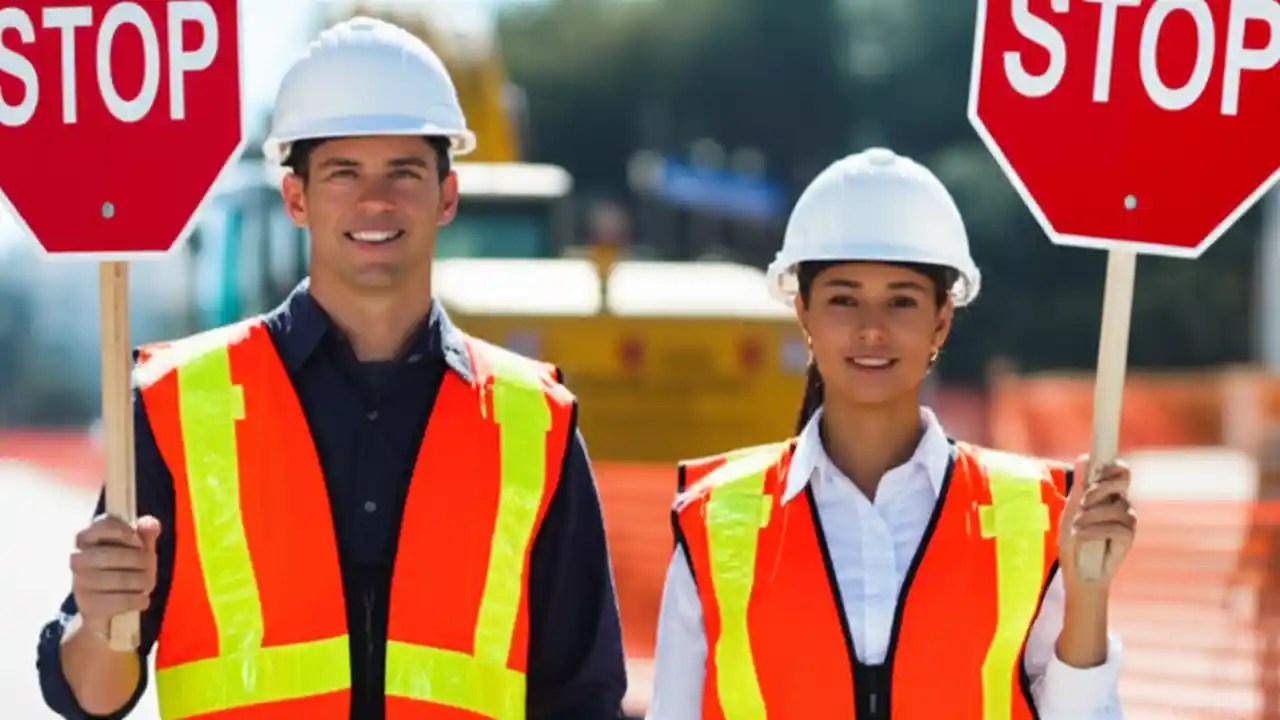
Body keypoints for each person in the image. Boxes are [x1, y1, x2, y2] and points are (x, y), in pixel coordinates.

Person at [36, 16, 626, 720]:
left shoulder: (535, 423)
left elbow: (583, 697)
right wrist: (103, 620)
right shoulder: (178, 407)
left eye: (403, 172)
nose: (375, 200)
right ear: (296, 198)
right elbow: (91, 699)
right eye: (344, 172)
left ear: (446, 196)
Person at [645, 147, 1137, 719]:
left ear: (942, 320)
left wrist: (1088, 594)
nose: (872, 329)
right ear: (803, 312)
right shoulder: (714, 519)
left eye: (901, 301)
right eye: (843, 299)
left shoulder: (1036, 518)